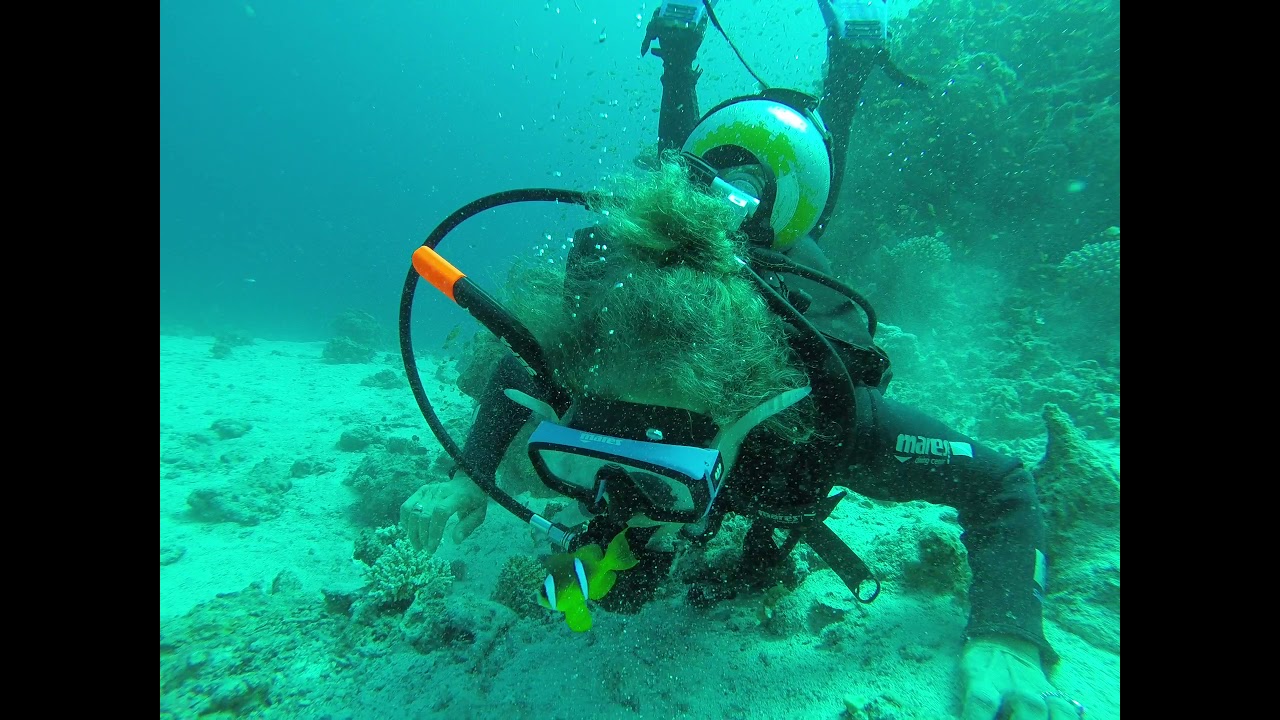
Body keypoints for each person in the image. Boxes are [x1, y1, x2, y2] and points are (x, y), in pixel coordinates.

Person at [401, 3, 1085, 719]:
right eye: (581, 456)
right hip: (719, 194)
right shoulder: (589, 353)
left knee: (799, 201)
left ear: (754, 420)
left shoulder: (819, 424)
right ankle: (696, 54)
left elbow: (1003, 485)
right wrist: (467, 481)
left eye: (661, 478)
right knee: (679, 180)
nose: (619, 496)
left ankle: (834, 64)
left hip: (789, 199)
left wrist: (1008, 635)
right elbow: (518, 373)